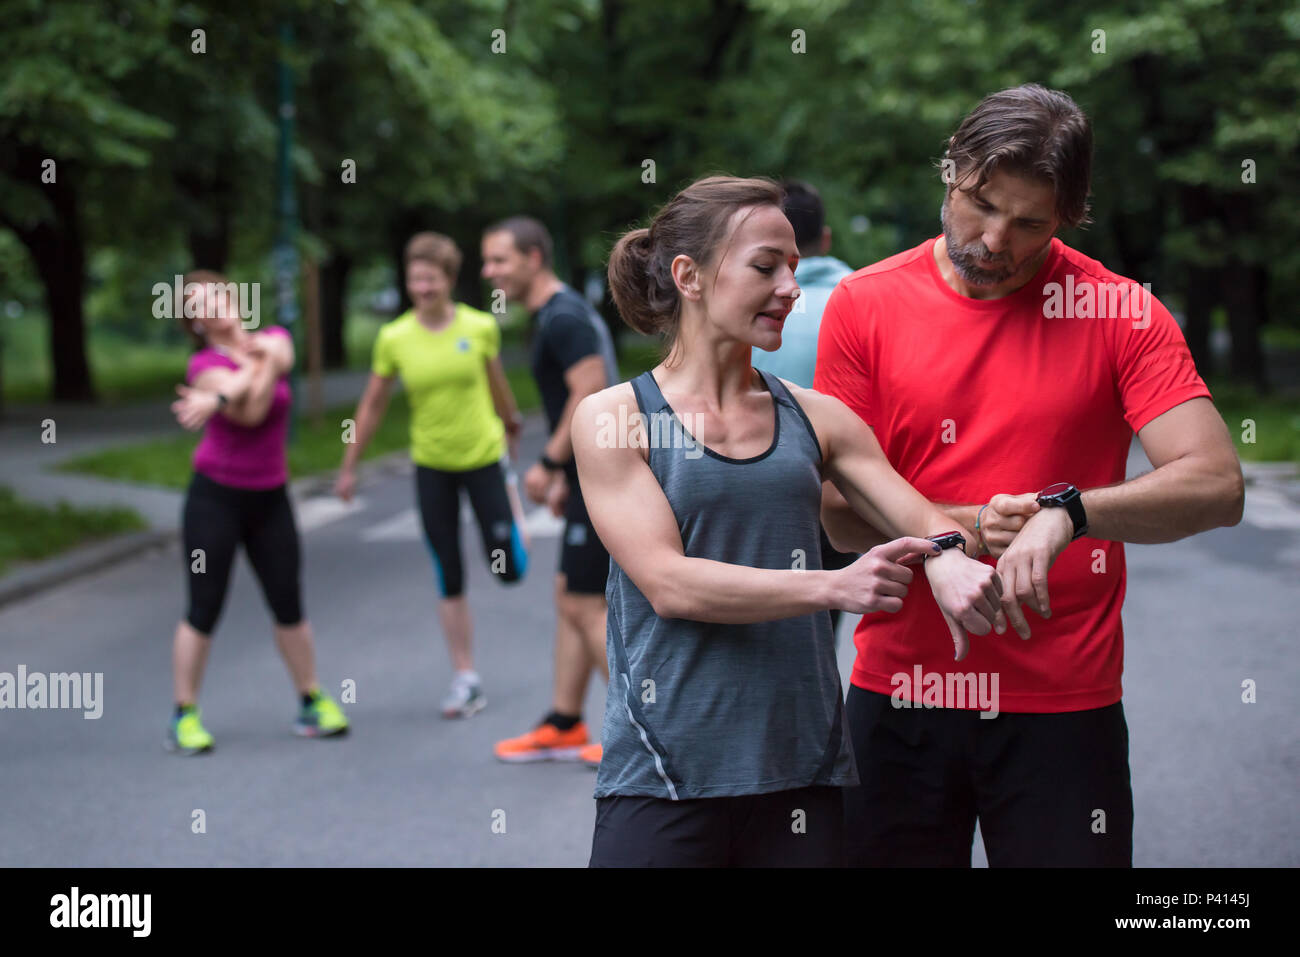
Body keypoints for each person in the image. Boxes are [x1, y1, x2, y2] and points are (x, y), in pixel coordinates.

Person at [815, 84, 1245, 867]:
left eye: (1029, 223)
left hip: (1064, 703)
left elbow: (1216, 484)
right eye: (979, 203)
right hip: (903, 692)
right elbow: (838, 513)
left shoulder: (1119, 312)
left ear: (1069, 216)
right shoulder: (863, 304)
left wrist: (1069, 513)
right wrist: (967, 529)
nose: (993, 240)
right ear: (951, 172)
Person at [573, 175, 1005, 867]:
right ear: (689, 275)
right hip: (664, 775)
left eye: (795, 268)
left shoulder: (817, 416)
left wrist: (951, 550)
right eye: (766, 267)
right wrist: (833, 587)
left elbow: (916, 514)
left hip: (802, 777)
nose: (791, 288)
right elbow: (670, 584)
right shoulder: (615, 417)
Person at [335, 232, 528, 718]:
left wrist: (511, 422)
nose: (421, 286)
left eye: (431, 278)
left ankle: (512, 522)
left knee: (507, 568)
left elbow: (496, 382)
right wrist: (349, 465)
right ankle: (465, 676)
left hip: (482, 456)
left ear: (448, 280)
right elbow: (374, 403)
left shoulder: (479, 326)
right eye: (414, 278)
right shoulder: (394, 337)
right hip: (432, 464)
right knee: (448, 570)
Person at [167, 270, 349, 753]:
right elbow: (249, 413)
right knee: (204, 607)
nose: (213, 306)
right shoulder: (202, 365)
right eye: (199, 306)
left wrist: (229, 390)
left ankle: (311, 700)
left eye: (217, 296)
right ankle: (184, 715)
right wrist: (253, 374)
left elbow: (274, 362)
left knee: (288, 602)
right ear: (196, 324)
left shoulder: (275, 337)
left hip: (271, 497)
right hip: (216, 497)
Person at [480, 217, 617, 766]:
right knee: (572, 598)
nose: (490, 272)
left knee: (585, 603)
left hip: (602, 473)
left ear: (534, 258)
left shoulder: (563, 318)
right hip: (588, 473)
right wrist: (566, 474)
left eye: (499, 260)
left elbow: (591, 390)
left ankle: (645, 727)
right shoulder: (555, 315)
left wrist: (549, 463)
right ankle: (564, 721)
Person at [751, 179, 859, 641]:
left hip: (752, 493)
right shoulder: (864, 298)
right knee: (819, 628)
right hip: (840, 488)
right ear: (827, 238)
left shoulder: (739, 305)